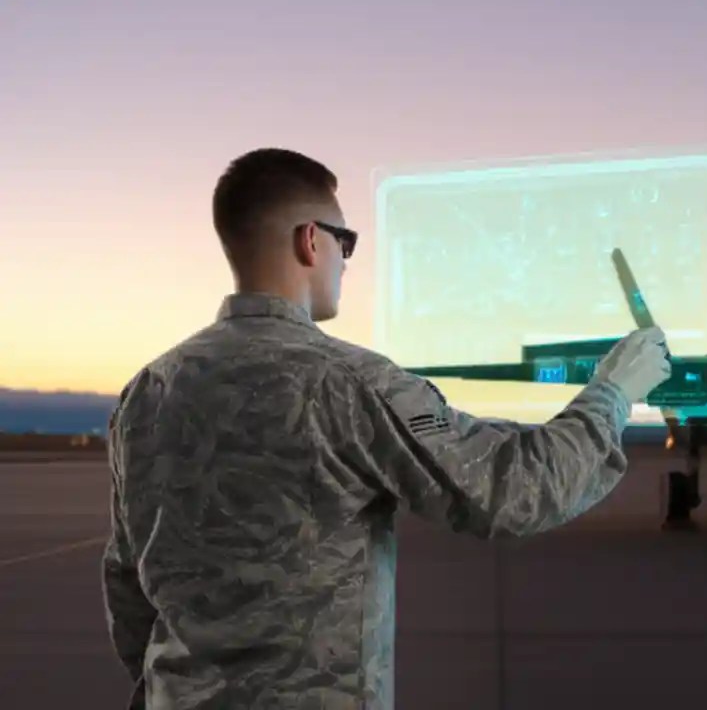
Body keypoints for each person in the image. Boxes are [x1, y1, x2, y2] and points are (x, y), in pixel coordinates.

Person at [100, 148, 673, 709]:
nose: (346, 262)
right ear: (311, 240)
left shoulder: (146, 394)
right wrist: (613, 392)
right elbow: (511, 488)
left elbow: (129, 587)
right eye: (345, 243)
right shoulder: (347, 383)